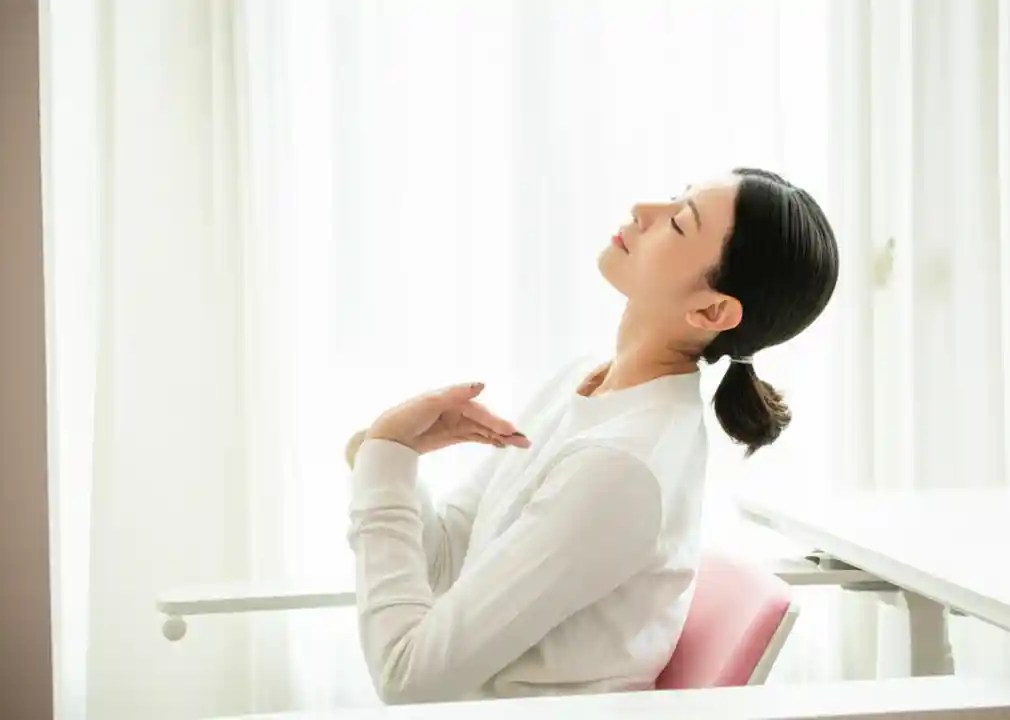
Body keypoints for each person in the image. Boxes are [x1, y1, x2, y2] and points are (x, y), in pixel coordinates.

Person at [346, 168, 838, 704]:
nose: (643, 211)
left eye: (677, 223)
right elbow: (448, 565)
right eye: (675, 197)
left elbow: (407, 679)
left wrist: (382, 461)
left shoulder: (623, 467)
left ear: (711, 311)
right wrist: (388, 454)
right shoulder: (585, 385)